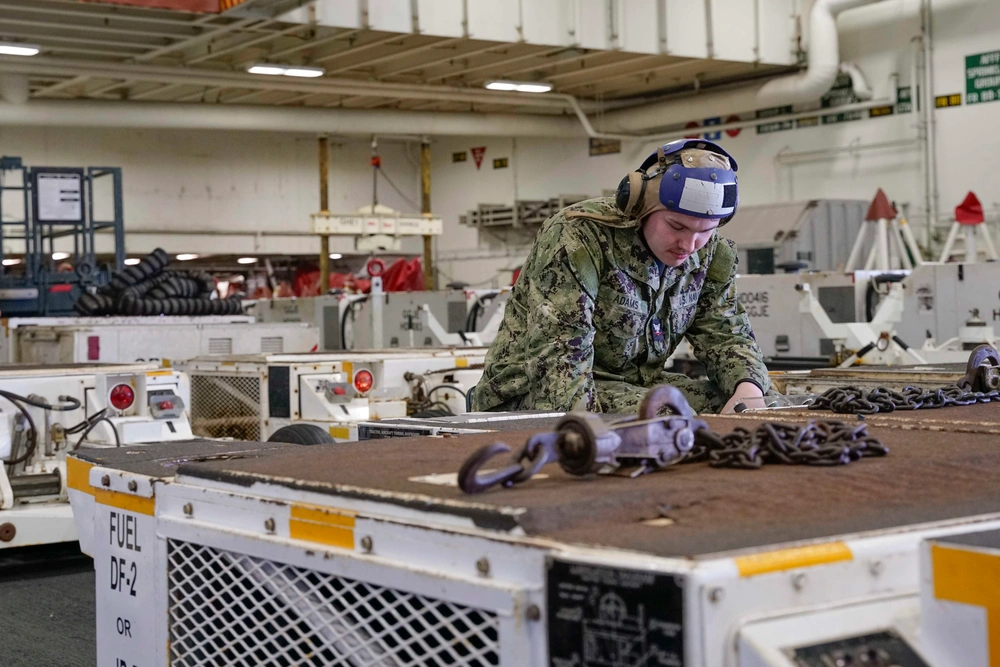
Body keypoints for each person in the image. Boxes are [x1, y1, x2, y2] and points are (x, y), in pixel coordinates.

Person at [472, 139, 769, 415]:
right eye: (676, 227)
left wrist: (748, 389)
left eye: (705, 231)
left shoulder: (711, 254)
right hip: (537, 392)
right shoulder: (580, 236)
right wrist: (592, 439)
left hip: (636, 386)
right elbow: (559, 355)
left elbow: (726, 333)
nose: (689, 245)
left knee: (765, 410)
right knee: (669, 420)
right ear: (640, 206)